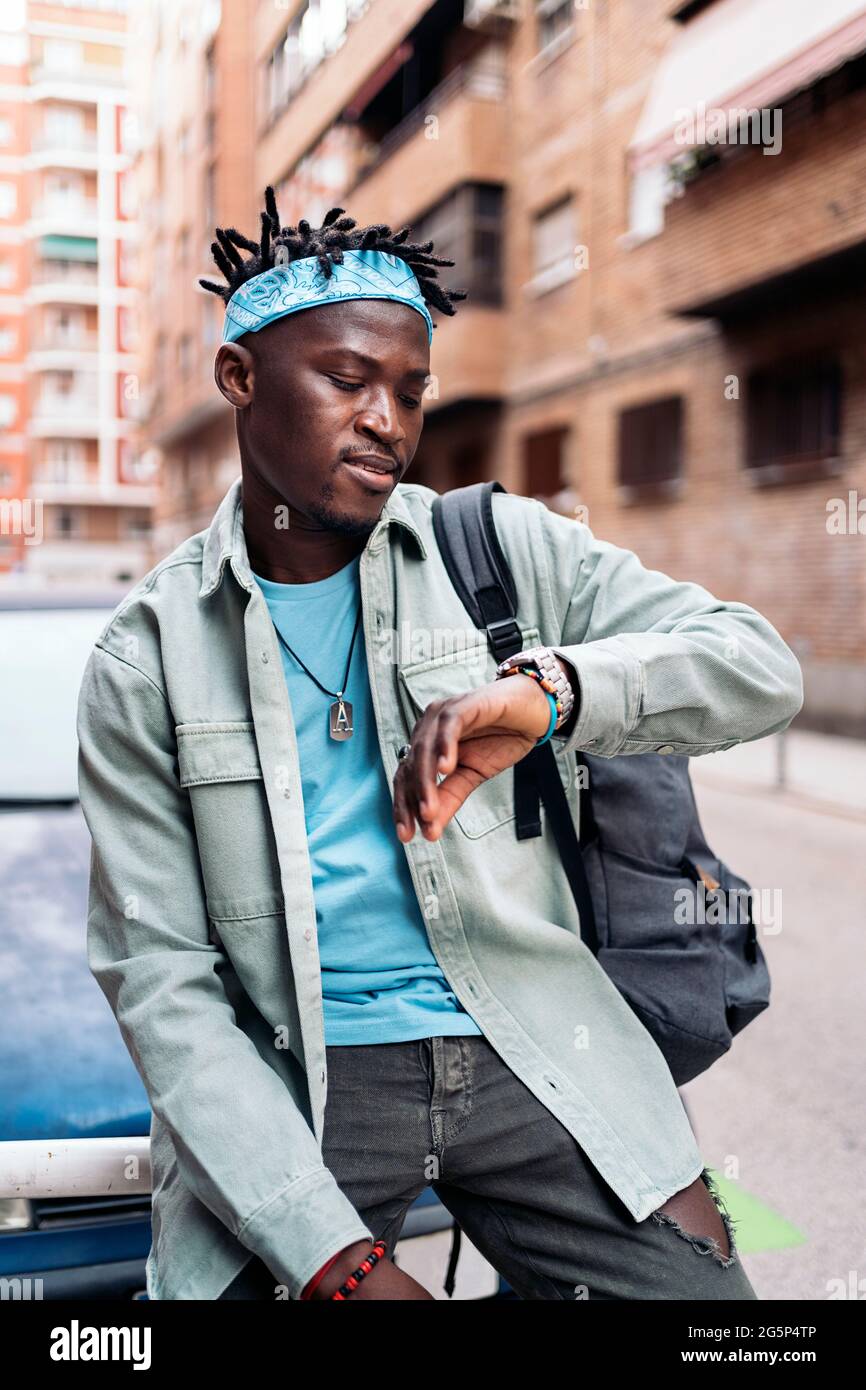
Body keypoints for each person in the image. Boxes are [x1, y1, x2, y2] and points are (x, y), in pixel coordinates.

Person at [76, 188, 803, 1301]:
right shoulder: (147, 658)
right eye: (345, 380)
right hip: (306, 1082)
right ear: (239, 378)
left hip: (536, 1041)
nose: (387, 421)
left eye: (409, 391)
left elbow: (755, 665)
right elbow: (163, 981)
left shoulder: (498, 548)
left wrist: (551, 689)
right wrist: (335, 1261)